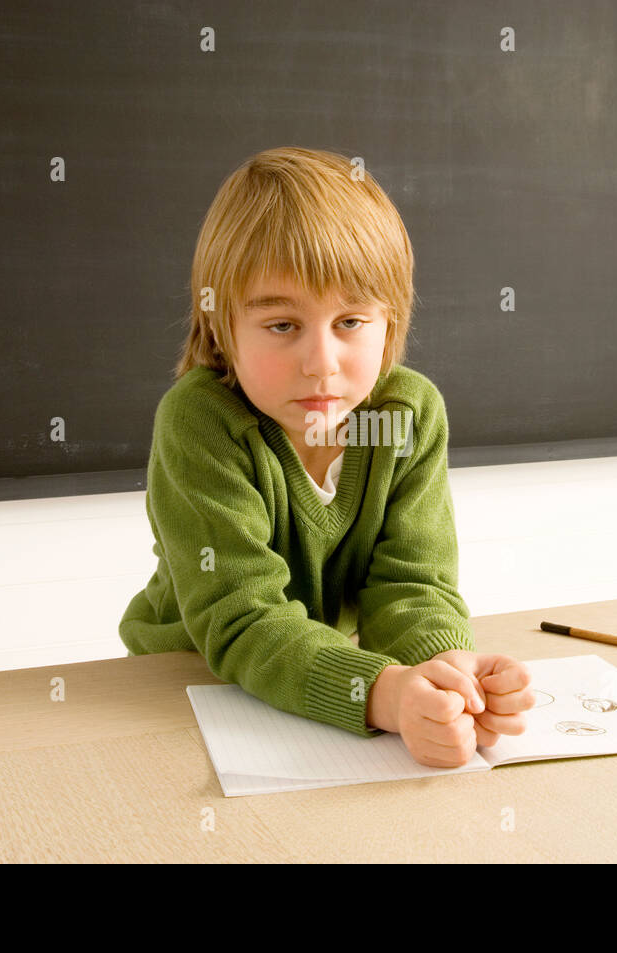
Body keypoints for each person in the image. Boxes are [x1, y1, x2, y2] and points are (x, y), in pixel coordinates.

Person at [119, 146, 533, 768]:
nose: (321, 363)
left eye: (350, 322)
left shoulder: (406, 416)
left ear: (389, 324)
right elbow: (244, 617)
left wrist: (442, 672)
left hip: (319, 685)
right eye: (282, 325)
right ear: (221, 326)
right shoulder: (200, 421)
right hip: (185, 689)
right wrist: (381, 693)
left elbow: (412, 584)